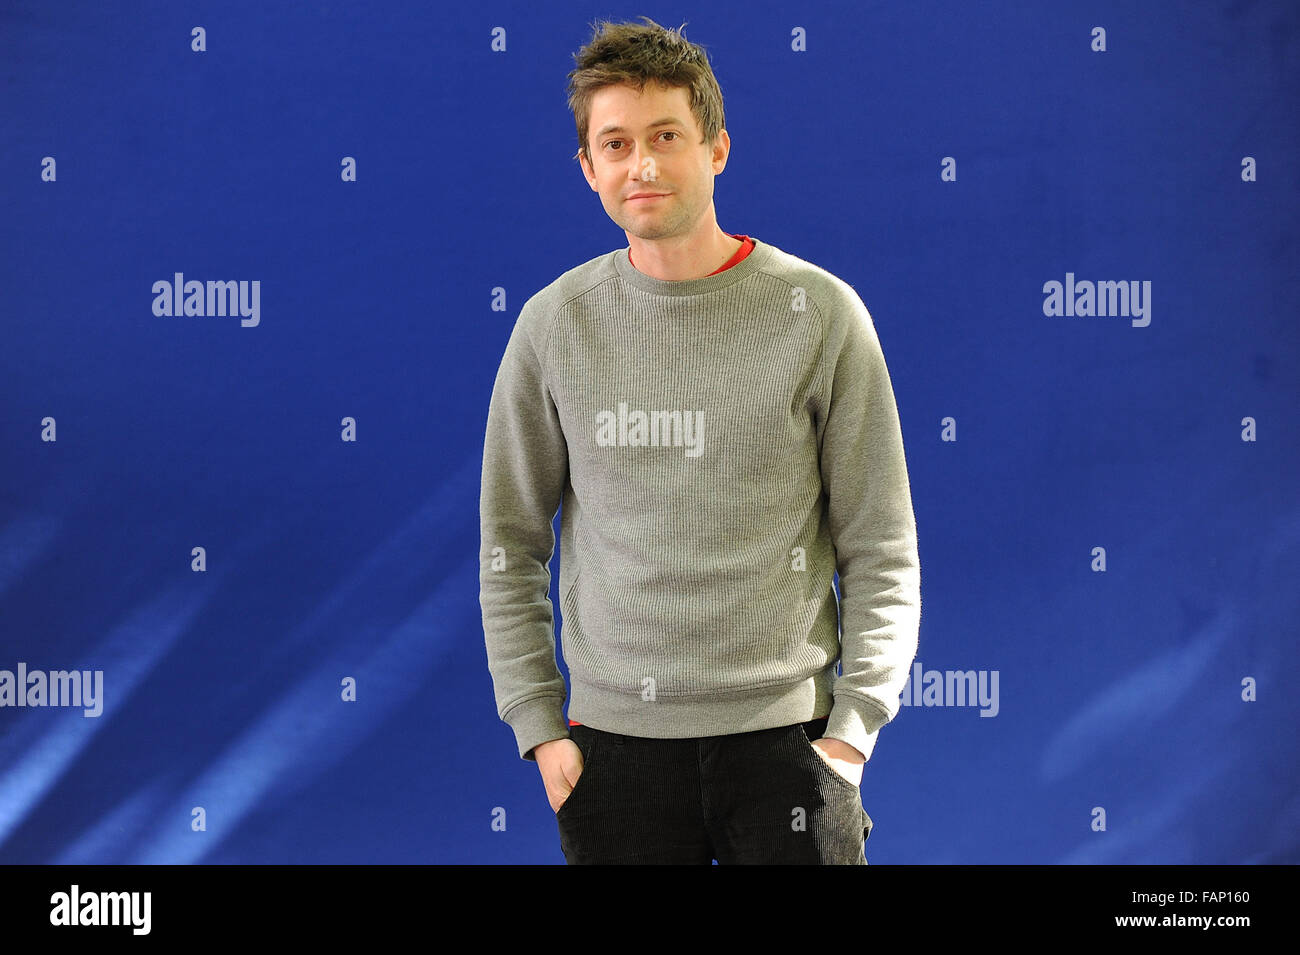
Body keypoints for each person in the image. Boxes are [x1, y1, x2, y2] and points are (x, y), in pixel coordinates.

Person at [478, 16, 921, 864]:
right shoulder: (551, 327)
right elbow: (511, 543)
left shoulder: (821, 314)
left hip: (791, 748)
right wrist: (540, 727)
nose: (640, 165)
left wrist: (852, 734)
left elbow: (882, 547)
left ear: (717, 148)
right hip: (614, 756)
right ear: (588, 169)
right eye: (615, 144)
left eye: (665, 136)